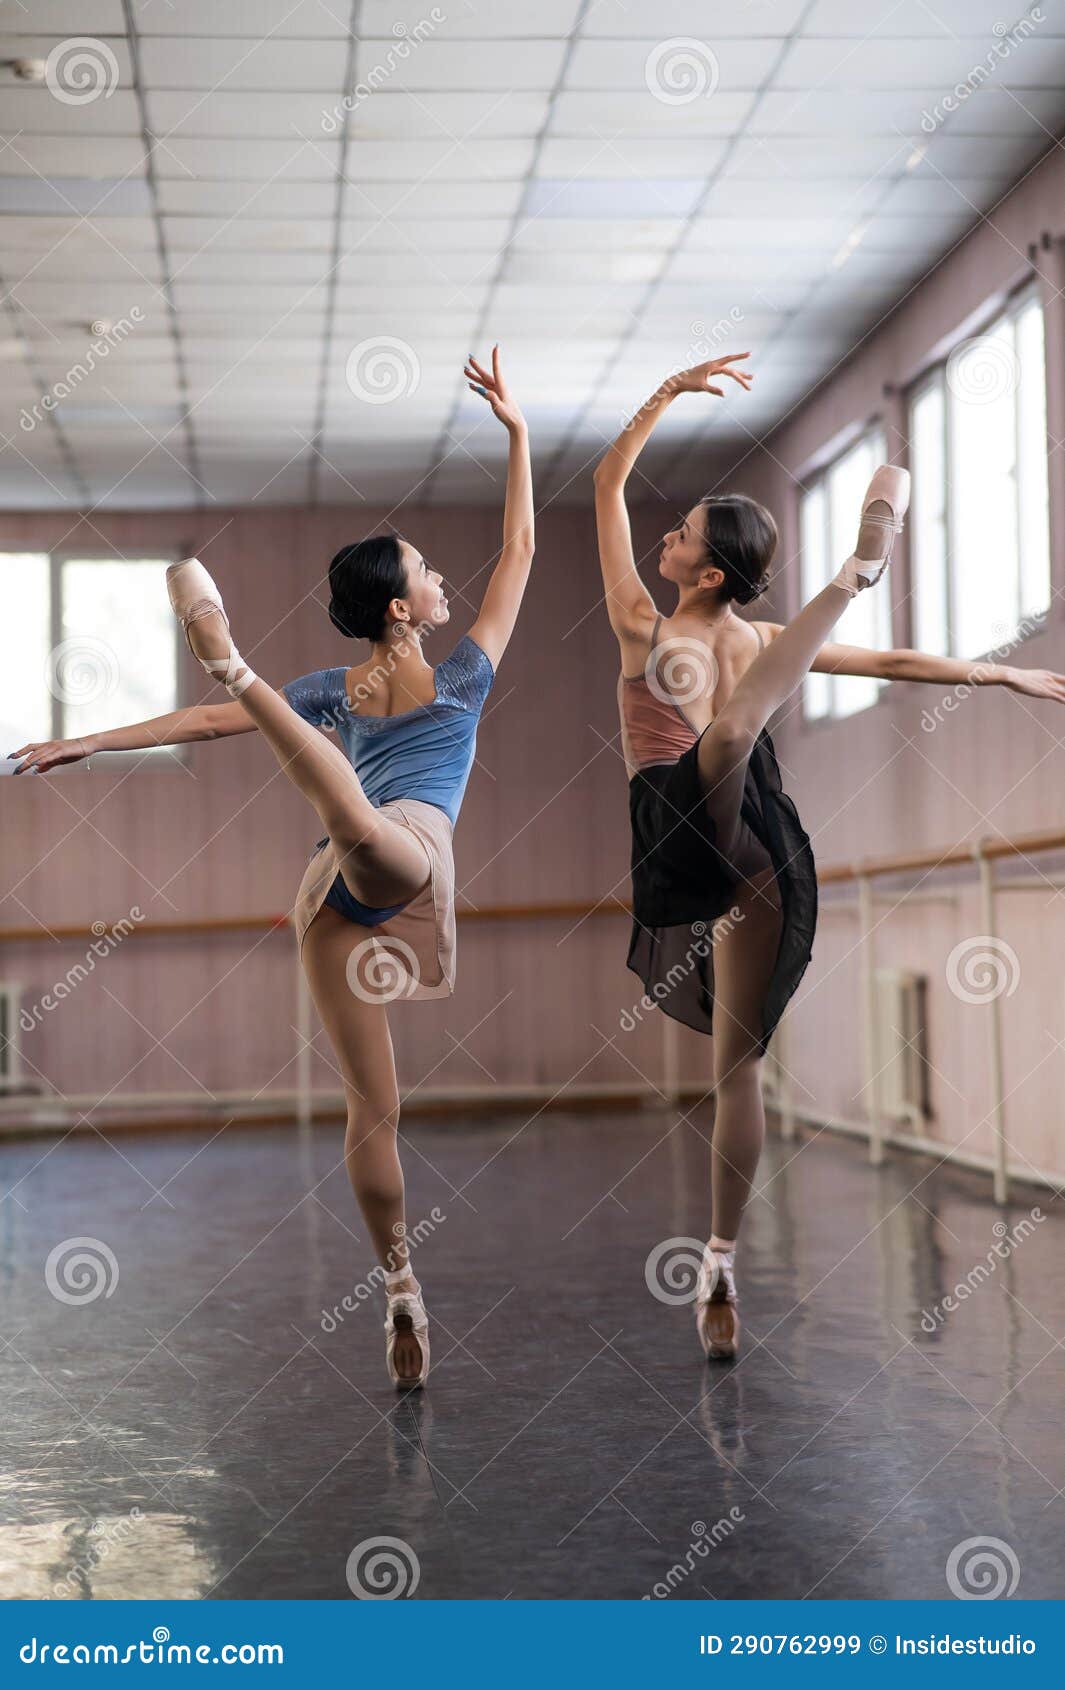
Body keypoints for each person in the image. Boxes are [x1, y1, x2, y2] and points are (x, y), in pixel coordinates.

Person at [12, 348, 534, 1391]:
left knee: (372, 1088)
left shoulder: (345, 687)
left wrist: (91, 739)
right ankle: (398, 1285)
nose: (444, 581)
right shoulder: (462, 672)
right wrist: (90, 739)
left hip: (340, 888)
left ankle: (399, 1289)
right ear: (402, 609)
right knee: (360, 828)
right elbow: (523, 544)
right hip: (387, 861)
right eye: (428, 572)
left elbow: (212, 725)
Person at [593, 352, 1065, 1361]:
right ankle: (858, 573)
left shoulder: (659, 623)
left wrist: (996, 674)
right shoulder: (749, 637)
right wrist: (995, 675)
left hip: (735, 822)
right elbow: (887, 662)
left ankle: (720, 1266)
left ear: (705, 572)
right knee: (727, 730)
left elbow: (603, 482)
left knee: (739, 1069)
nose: (661, 536)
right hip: (701, 825)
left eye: (678, 534)